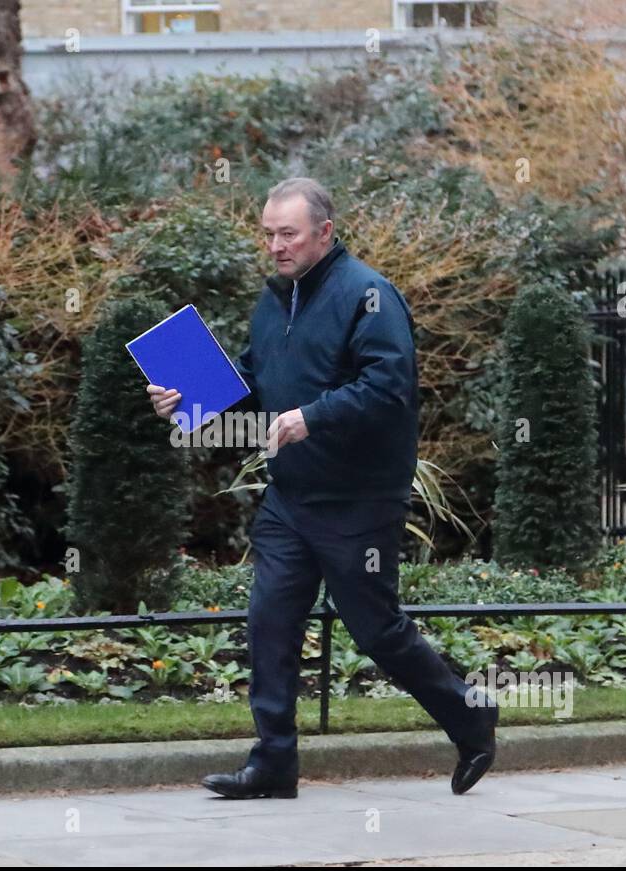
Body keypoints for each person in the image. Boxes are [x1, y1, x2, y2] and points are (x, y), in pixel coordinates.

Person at [147, 177, 497, 799]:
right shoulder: (275, 299)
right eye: (269, 234)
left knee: (377, 630)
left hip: (358, 499)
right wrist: (186, 402)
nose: (276, 246)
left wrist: (312, 416)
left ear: (324, 233)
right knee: (270, 621)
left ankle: (471, 715)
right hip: (291, 496)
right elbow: (252, 385)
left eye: (289, 234)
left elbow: (389, 385)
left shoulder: (368, 294)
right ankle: (274, 764)